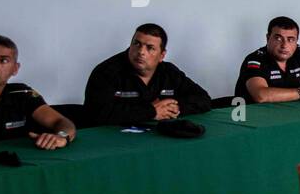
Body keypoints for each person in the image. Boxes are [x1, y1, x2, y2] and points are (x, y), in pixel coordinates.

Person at [84, 24, 212, 126]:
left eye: (150, 48)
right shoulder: (107, 72)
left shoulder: (169, 72)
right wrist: (151, 112)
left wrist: (174, 108)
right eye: (137, 44)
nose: (141, 52)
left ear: (162, 55)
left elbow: (203, 98)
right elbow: (97, 113)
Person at [234, 16, 300, 103]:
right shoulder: (255, 59)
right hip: (251, 118)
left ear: (297, 41)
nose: (284, 45)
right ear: (268, 38)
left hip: (288, 114)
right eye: (278, 38)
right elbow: (261, 95)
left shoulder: (297, 56)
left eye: (290, 40)